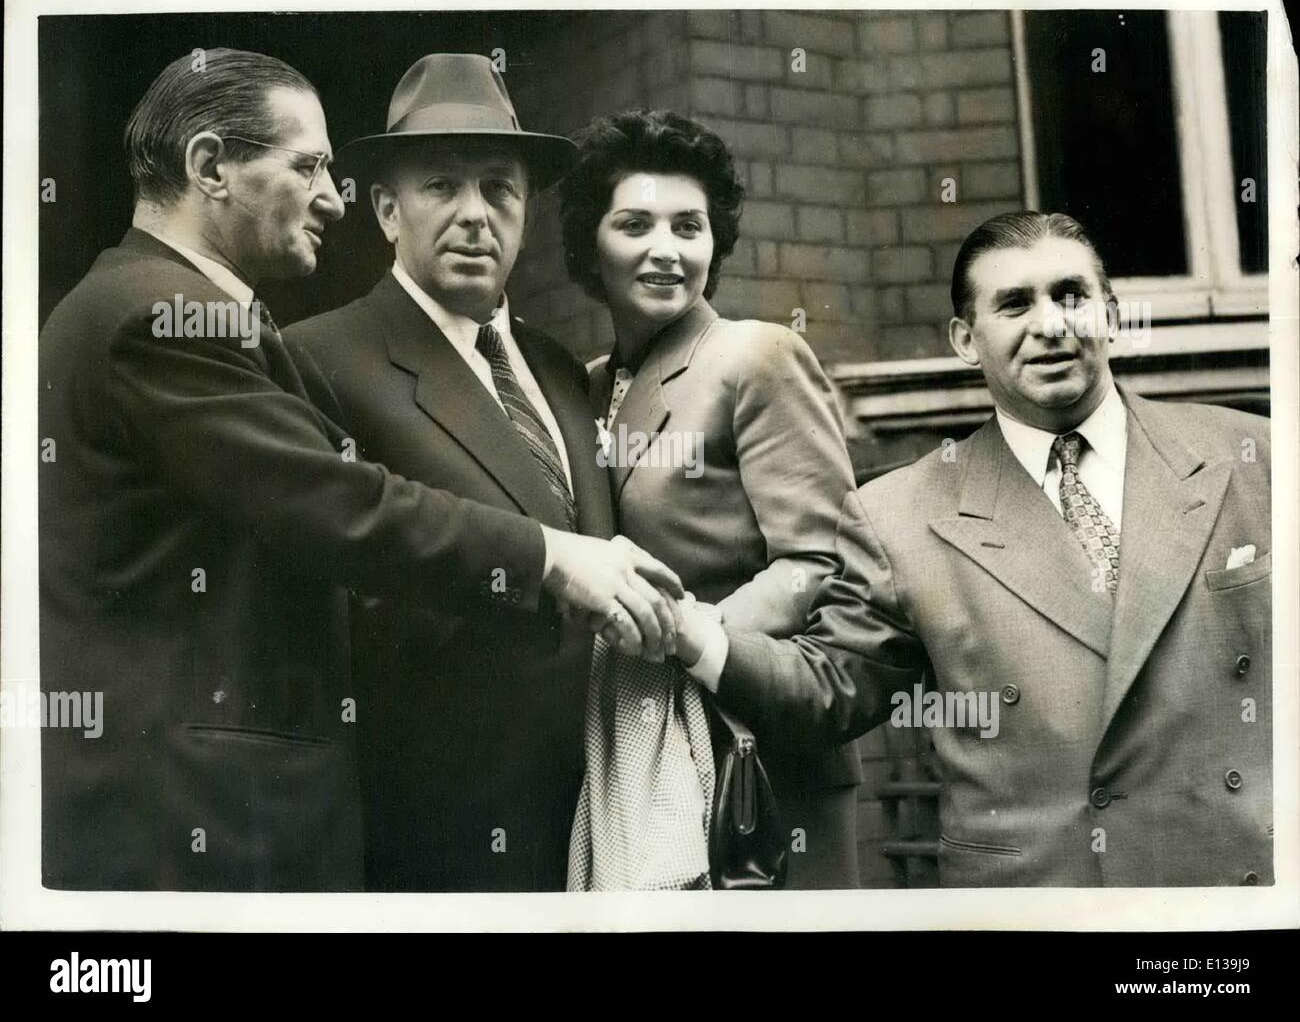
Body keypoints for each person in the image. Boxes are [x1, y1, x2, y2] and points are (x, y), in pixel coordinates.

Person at [39, 49, 681, 892]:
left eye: (501, 188)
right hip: (191, 817)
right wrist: (556, 558)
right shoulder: (157, 317)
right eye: (307, 166)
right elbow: (338, 504)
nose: (329, 198)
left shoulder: (158, 306)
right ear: (208, 166)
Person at [677, 210, 1273, 887]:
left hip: (1237, 885)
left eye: (1071, 295)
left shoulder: (1254, 457)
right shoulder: (901, 514)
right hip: (1043, 901)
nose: (1051, 324)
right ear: (966, 338)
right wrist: (693, 636)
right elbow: (832, 690)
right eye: (1015, 303)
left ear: (1109, 312)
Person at [284, 55, 680, 891]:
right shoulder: (321, 358)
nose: (475, 216)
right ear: (388, 211)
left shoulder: (559, 367)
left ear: (527, 212)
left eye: (499, 190)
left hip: (604, 813)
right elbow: (334, 590)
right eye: (441, 187)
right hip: (439, 831)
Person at [560, 110, 863, 890]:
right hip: (627, 742)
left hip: (754, 750)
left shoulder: (754, 356)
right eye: (635, 224)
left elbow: (819, 560)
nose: (666, 250)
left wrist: (685, 634)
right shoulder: (581, 388)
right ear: (591, 244)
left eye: (689, 227)